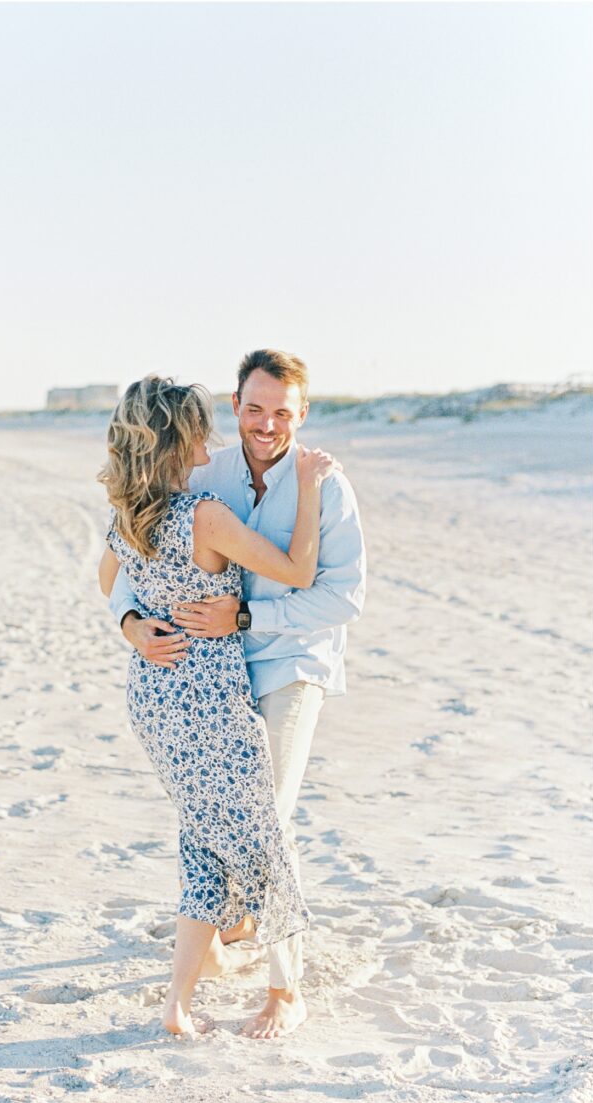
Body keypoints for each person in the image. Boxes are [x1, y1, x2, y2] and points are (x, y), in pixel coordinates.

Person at [110, 349, 366, 1039]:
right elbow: (123, 569)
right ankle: (224, 936)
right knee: (215, 819)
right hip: (212, 675)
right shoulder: (209, 475)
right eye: (254, 408)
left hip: (288, 662)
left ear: (301, 415)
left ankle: (286, 988)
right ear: (235, 407)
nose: (266, 423)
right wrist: (132, 624)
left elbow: (340, 596)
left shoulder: (326, 486)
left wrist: (247, 617)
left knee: (265, 818)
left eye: (283, 411)